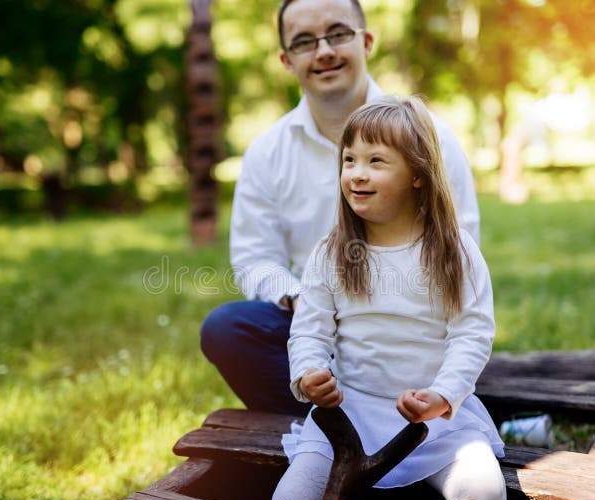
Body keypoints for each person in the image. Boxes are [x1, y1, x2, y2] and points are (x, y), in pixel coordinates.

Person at [200, 0, 481, 416]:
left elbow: (461, 245)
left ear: (366, 42)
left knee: (446, 345)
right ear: (286, 60)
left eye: (338, 34)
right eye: (304, 42)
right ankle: (338, 420)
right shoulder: (266, 153)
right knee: (227, 329)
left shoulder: (430, 137)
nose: (324, 51)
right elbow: (255, 261)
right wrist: (303, 298)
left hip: (413, 323)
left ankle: (413, 411)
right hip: (315, 320)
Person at [269, 95, 506, 500]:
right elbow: (309, 331)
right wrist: (308, 373)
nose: (357, 173)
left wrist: (443, 395)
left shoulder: (452, 250)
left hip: (434, 423)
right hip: (350, 416)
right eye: (349, 159)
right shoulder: (333, 252)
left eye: (376, 160)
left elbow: (471, 333)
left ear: (417, 173)